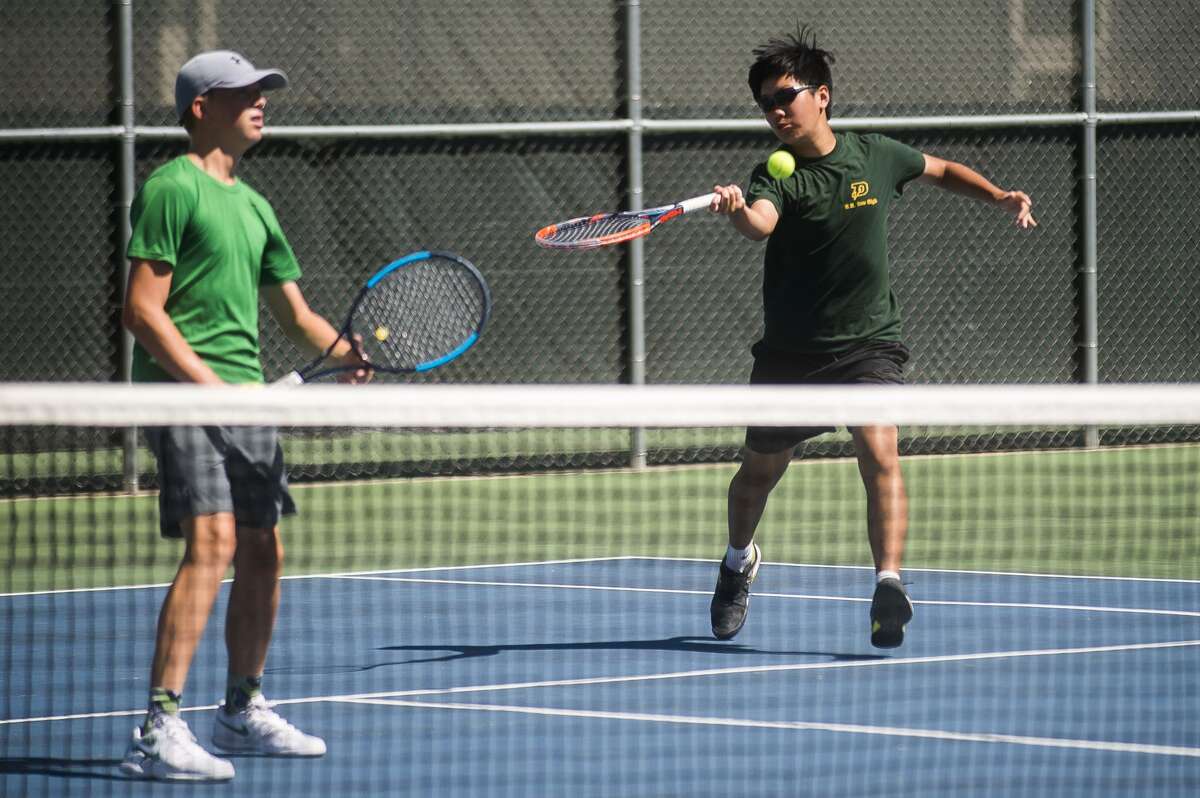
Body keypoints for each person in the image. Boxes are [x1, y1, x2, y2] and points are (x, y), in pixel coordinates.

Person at [707, 28, 1036, 648]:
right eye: (765, 104)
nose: (776, 111)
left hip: (869, 344)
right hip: (791, 354)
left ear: (822, 96)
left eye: (786, 96)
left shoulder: (876, 155)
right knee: (757, 476)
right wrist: (736, 211)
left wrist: (998, 196)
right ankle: (736, 562)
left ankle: (889, 583)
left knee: (881, 454)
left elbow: (939, 170)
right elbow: (760, 225)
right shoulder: (774, 174)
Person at [118, 50, 371, 782]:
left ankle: (241, 708)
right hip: (187, 395)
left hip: (248, 399)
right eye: (245, 93)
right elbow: (142, 311)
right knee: (214, 542)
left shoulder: (257, 206)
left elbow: (295, 313)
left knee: (264, 549)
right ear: (202, 107)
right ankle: (158, 727)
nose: (261, 101)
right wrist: (207, 388)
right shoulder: (171, 189)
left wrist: (342, 348)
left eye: (264, 92)